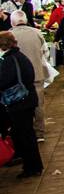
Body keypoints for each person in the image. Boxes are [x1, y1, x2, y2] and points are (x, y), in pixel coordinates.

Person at [0, 31, 43, 178]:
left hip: (19, 103)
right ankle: (33, 165)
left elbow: (3, 81)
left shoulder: (9, 61)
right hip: (27, 100)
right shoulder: (20, 57)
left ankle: (31, 167)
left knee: (24, 135)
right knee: (27, 134)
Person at [8, 12, 47, 140]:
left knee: (20, 106)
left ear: (12, 22)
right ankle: (39, 132)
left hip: (16, 78)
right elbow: (45, 52)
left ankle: (25, 132)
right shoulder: (37, 32)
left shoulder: (9, 35)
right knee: (38, 104)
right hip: (36, 73)